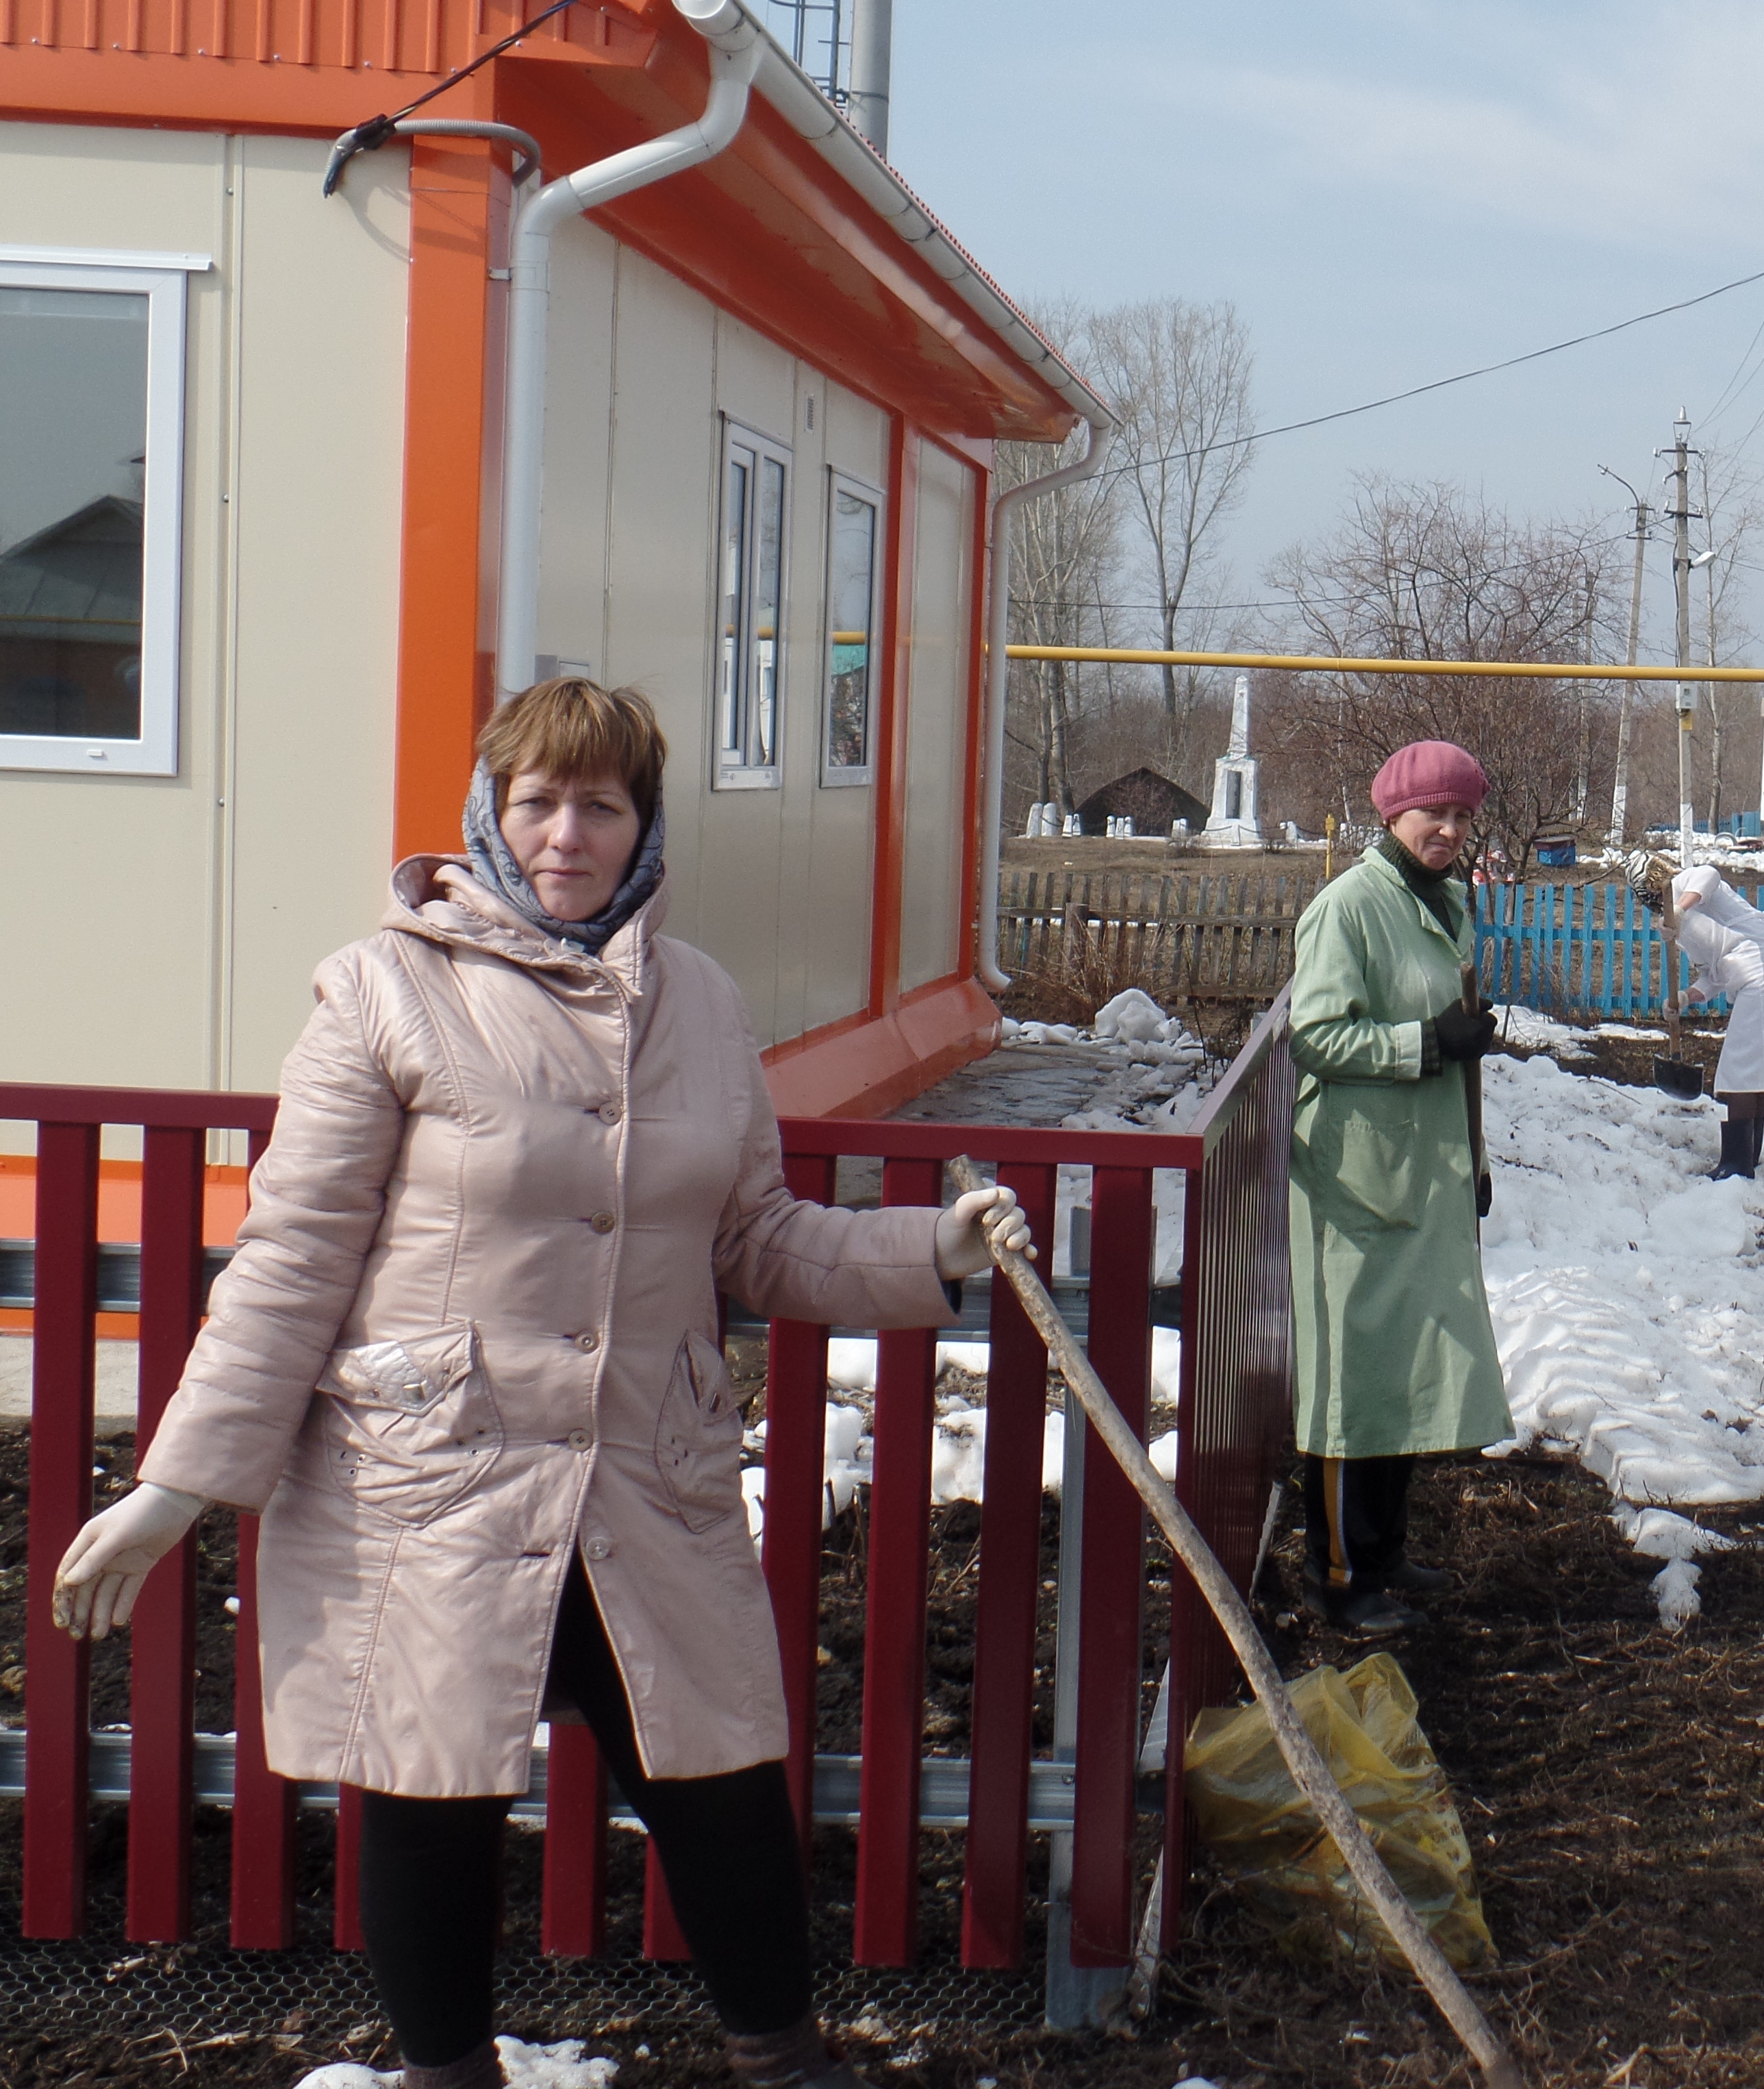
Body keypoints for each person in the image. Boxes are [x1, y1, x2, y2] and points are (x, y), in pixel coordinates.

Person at [50, 679, 1032, 2089]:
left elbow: (756, 1239)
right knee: (427, 1800)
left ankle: (787, 2063)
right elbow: (293, 1255)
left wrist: (927, 1245)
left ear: (644, 826)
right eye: (537, 802)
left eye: (601, 804)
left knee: (722, 1790)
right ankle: (451, 2076)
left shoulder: (700, 1002)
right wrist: (177, 1485)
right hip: (439, 1478)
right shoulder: (383, 990)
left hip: (645, 1477)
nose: (567, 832)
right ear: (489, 816)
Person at [1285, 739, 1515, 1638]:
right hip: (1355, 1180)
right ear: (1392, 818)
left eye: (1462, 816)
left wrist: (1476, 1162)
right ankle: (1336, 1577)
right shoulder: (1348, 909)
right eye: (1434, 815)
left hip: (1424, 1174)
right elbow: (1316, 1038)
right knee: (1351, 1383)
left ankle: (1383, 1555)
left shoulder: (1447, 901)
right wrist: (1426, 1044)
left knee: (1404, 1374)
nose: (1450, 830)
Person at [1624, 851, 1764, 1179]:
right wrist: (1683, 998)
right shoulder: (1678, 928)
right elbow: (1712, 978)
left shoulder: (1686, 884)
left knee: (1739, 1071)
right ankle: (1747, 1157)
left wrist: (1679, 909)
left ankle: (1735, 1166)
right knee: (1756, 1070)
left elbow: (1709, 874)